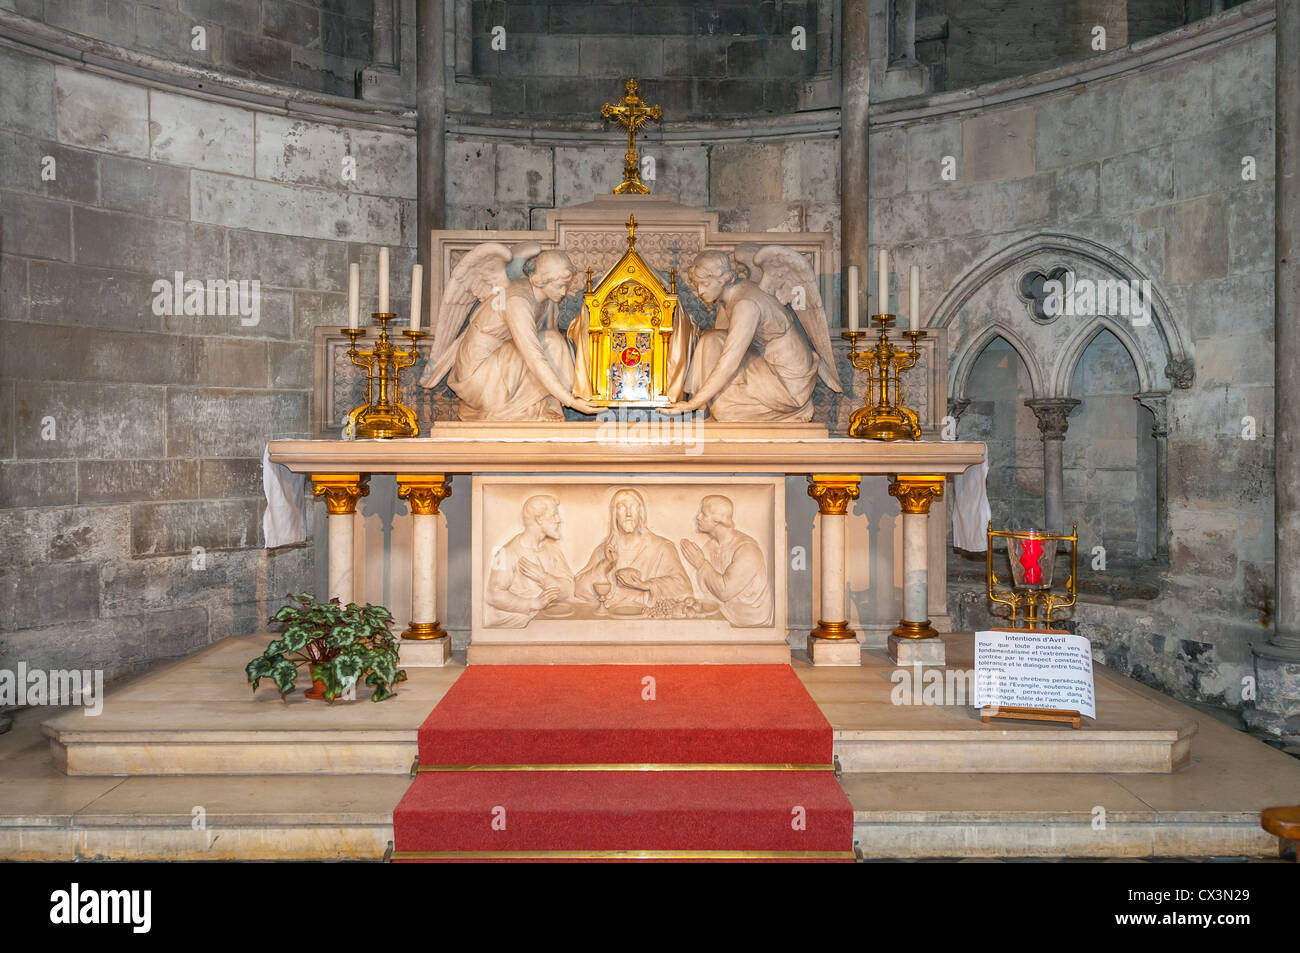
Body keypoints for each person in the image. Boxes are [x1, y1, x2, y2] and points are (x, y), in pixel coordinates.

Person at [664, 250, 825, 421]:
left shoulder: (745, 305)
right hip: (764, 360)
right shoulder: (732, 295)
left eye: (705, 283)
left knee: (725, 411)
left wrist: (693, 403)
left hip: (786, 380)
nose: (700, 291)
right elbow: (717, 346)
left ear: (723, 279)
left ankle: (793, 411)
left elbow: (729, 360)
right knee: (709, 339)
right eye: (697, 285)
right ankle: (707, 406)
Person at [445, 249, 599, 420]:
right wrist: (570, 401)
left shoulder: (546, 300)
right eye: (559, 286)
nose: (563, 292)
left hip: (502, 364)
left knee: (553, 342)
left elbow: (550, 353)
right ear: (541, 281)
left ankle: (540, 407)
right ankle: (523, 410)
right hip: (481, 377)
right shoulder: (517, 300)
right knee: (551, 342)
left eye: (566, 286)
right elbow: (533, 355)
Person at [574, 488, 693, 610]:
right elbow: (579, 589)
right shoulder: (605, 550)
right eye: (621, 507)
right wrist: (606, 564)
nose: (628, 513)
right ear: (614, 514)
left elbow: (684, 587)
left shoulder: (662, 547)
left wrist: (646, 585)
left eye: (634, 506)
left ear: (641, 512)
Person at [680, 495, 773, 627]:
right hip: (722, 613)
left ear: (717, 521)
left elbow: (725, 592)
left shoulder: (747, 550)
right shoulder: (709, 547)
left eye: (703, 514)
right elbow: (700, 588)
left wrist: (701, 563)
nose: (698, 517)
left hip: (747, 618)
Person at [484, 495, 576, 628]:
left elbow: (570, 588)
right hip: (520, 624)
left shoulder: (552, 550)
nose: (558, 520)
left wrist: (544, 578)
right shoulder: (505, 553)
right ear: (539, 519)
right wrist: (532, 603)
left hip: (549, 622)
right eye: (554, 515)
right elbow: (493, 595)